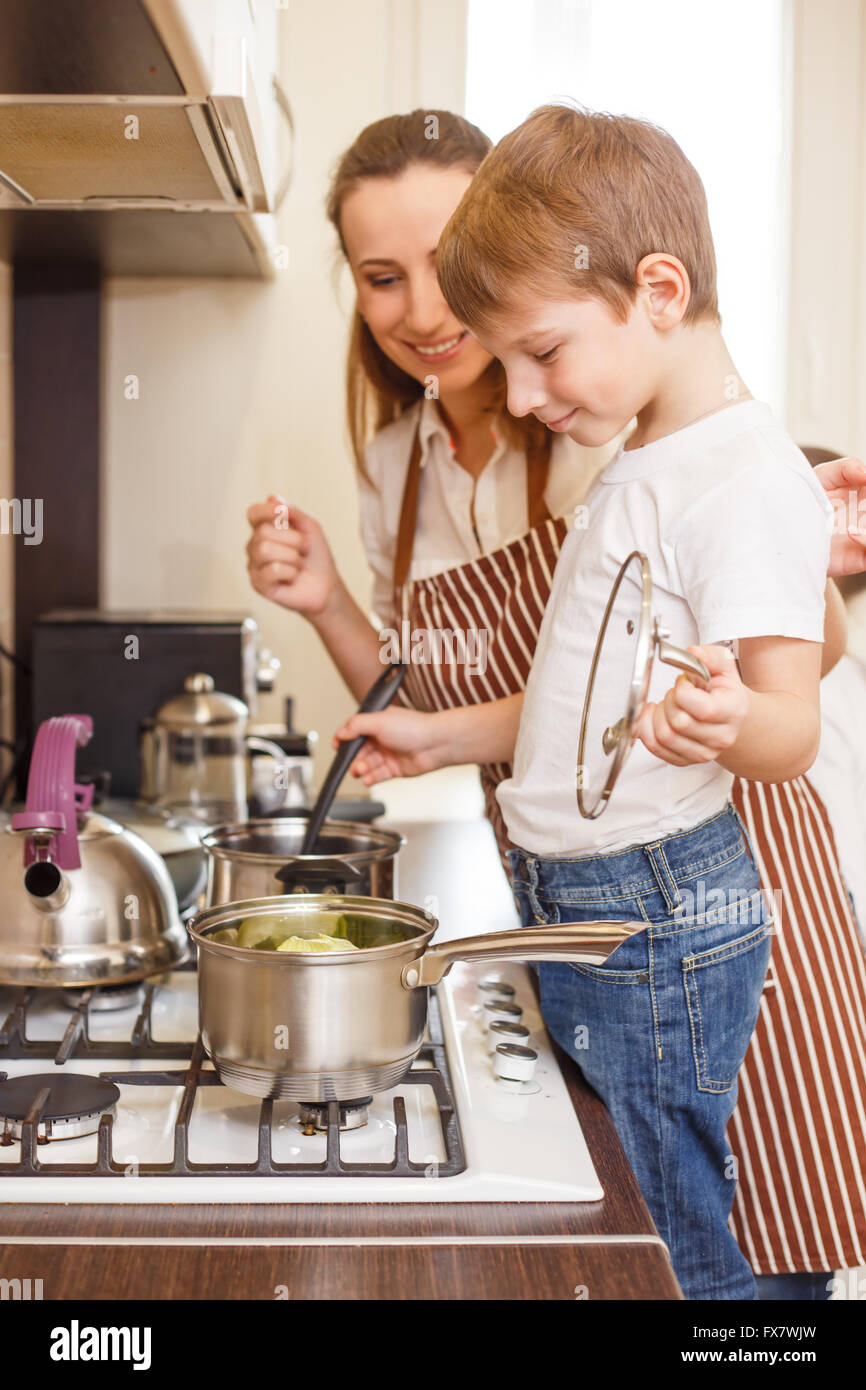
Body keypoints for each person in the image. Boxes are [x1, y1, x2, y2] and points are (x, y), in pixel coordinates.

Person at [248, 110, 866, 1300]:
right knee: (648, 1220)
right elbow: (520, 692)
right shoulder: (416, 456)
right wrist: (359, 642)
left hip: (724, 863)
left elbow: (790, 653)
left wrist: (757, 655)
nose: (426, 308)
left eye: (446, 262)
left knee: (741, 1220)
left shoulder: (635, 425)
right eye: (386, 277)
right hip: (573, 880)